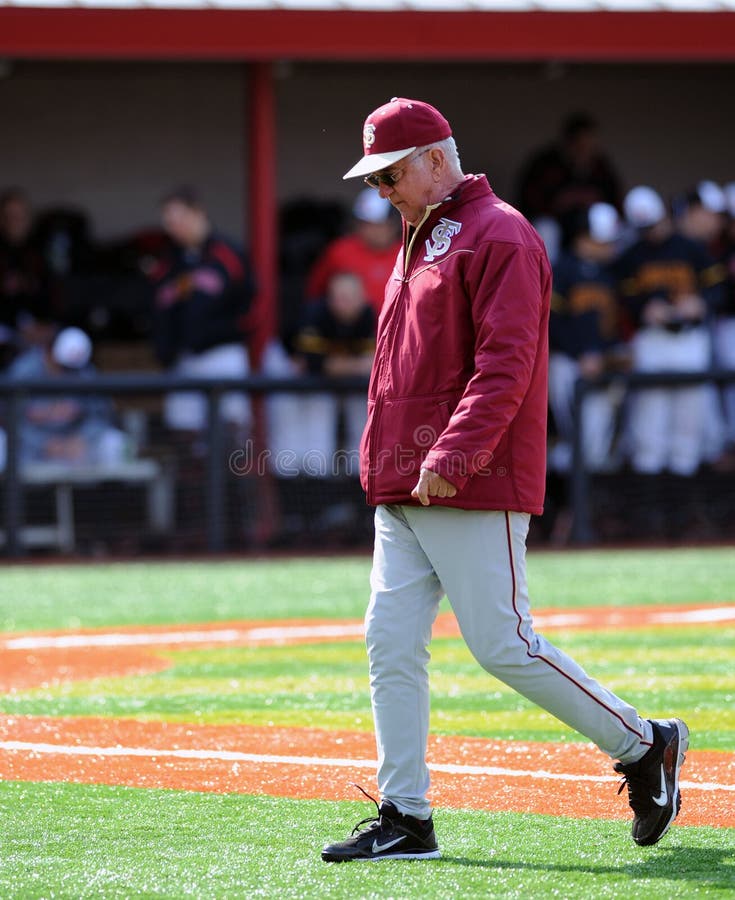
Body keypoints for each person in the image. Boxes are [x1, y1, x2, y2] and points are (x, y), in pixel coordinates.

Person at [321, 97, 688, 863]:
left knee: (503, 645)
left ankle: (642, 743)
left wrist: (450, 457)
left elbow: (506, 366)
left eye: (389, 173)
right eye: (375, 178)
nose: (380, 189)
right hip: (405, 480)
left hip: (467, 477)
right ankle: (405, 815)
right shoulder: (420, 232)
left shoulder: (500, 231)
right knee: (388, 643)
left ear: (433, 157)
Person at [615, 185, 725, 476]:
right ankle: (649, 473)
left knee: (690, 408)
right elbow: (623, 296)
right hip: (653, 338)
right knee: (650, 407)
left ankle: (684, 471)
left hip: (688, 337)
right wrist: (645, 309)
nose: (651, 232)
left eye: (653, 224)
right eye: (644, 227)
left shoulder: (690, 247)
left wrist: (699, 302)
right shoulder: (632, 254)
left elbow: (717, 287)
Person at [149, 187, 254, 434]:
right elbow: (159, 309)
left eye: (180, 219)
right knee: (184, 428)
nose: (175, 227)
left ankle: (232, 475)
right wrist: (165, 350)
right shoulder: (168, 262)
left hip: (223, 353)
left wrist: (233, 331)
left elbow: (254, 303)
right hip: (184, 358)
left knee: (230, 426)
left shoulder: (227, 253)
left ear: (199, 213)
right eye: (170, 222)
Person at [548, 202, 628, 474]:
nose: (612, 247)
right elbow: (552, 322)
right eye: (604, 241)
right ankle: (562, 503)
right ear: (583, 238)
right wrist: (580, 352)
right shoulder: (561, 269)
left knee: (594, 447)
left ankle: (584, 506)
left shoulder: (613, 273)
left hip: (602, 365)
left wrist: (612, 352)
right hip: (568, 362)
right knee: (570, 440)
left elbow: (616, 324)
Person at [3, 326, 127, 468]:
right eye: (63, 366)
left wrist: (82, 439)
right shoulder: (23, 371)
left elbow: (100, 416)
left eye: (72, 368)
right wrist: (44, 444)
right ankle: (12, 491)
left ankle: (109, 490)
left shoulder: (84, 373)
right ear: (48, 352)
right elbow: (11, 421)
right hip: (32, 448)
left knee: (115, 443)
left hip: (75, 446)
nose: (68, 372)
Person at [515, 112, 623, 229]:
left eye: (589, 146)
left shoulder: (601, 166)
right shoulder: (546, 164)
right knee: (546, 227)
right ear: (568, 143)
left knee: (604, 217)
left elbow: (614, 201)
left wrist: (592, 199)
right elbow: (529, 201)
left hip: (588, 224)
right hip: (555, 223)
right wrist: (560, 201)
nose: (584, 151)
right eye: (580, 145)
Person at [306, 187, 401, 316]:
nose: (375, 231)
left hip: (398, 330)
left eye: (381, 224)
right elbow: (315, 292)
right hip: (352, 332)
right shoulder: (340, 251)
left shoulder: (408, 252)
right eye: (367, 224)